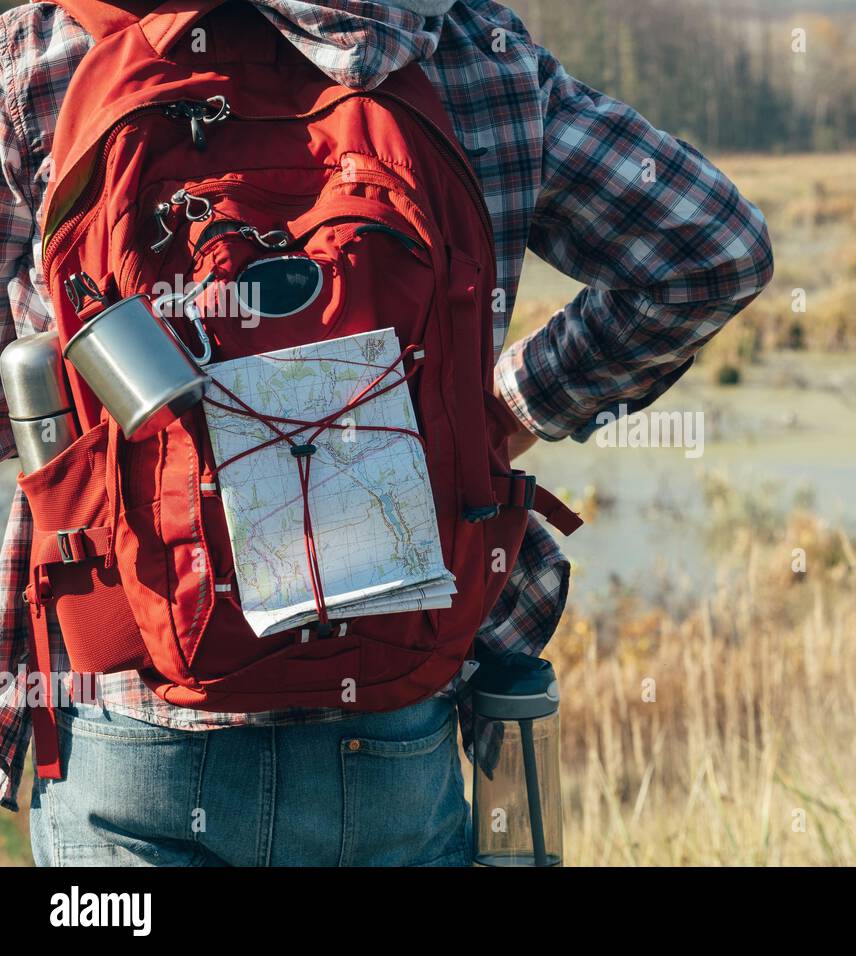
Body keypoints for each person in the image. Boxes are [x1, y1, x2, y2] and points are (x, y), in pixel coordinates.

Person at [0, 0, 772, 866]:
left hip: (129, 711)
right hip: (389, 719)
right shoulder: (469, 50)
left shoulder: (51, 49)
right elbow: (713, 252)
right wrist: (503, 414)